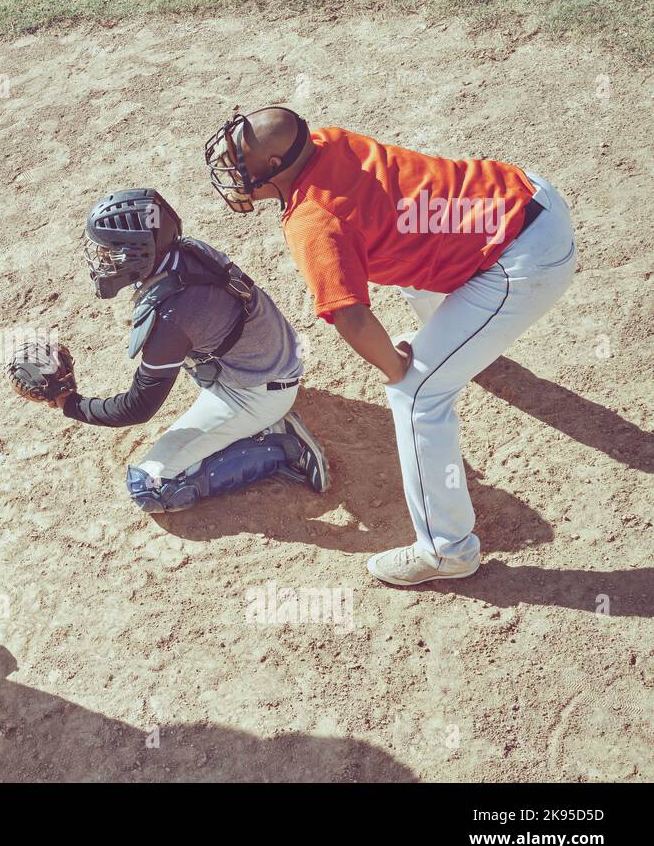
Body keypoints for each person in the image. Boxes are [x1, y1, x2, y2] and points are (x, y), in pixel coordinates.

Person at [205, 106, 576, 584]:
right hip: (523, 191)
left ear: (275, 167)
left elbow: (350, 315)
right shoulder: (328, 141)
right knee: (408, 264)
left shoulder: (312, 221)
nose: (231, 168)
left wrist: (396, 365)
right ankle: (468, 351)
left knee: (415, 395)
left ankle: (447, 552)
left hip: (525, 262)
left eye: (240, 159)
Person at [51, 187, 328, 513]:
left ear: (139, 253)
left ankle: (283, 443)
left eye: (111, 253)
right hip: (272, 356)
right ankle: (259, 420)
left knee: (150, 487)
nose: (103, 261)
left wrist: (69, 404)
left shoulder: (171, 316)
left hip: (258, 392)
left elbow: (137, 408)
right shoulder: (184, 253)